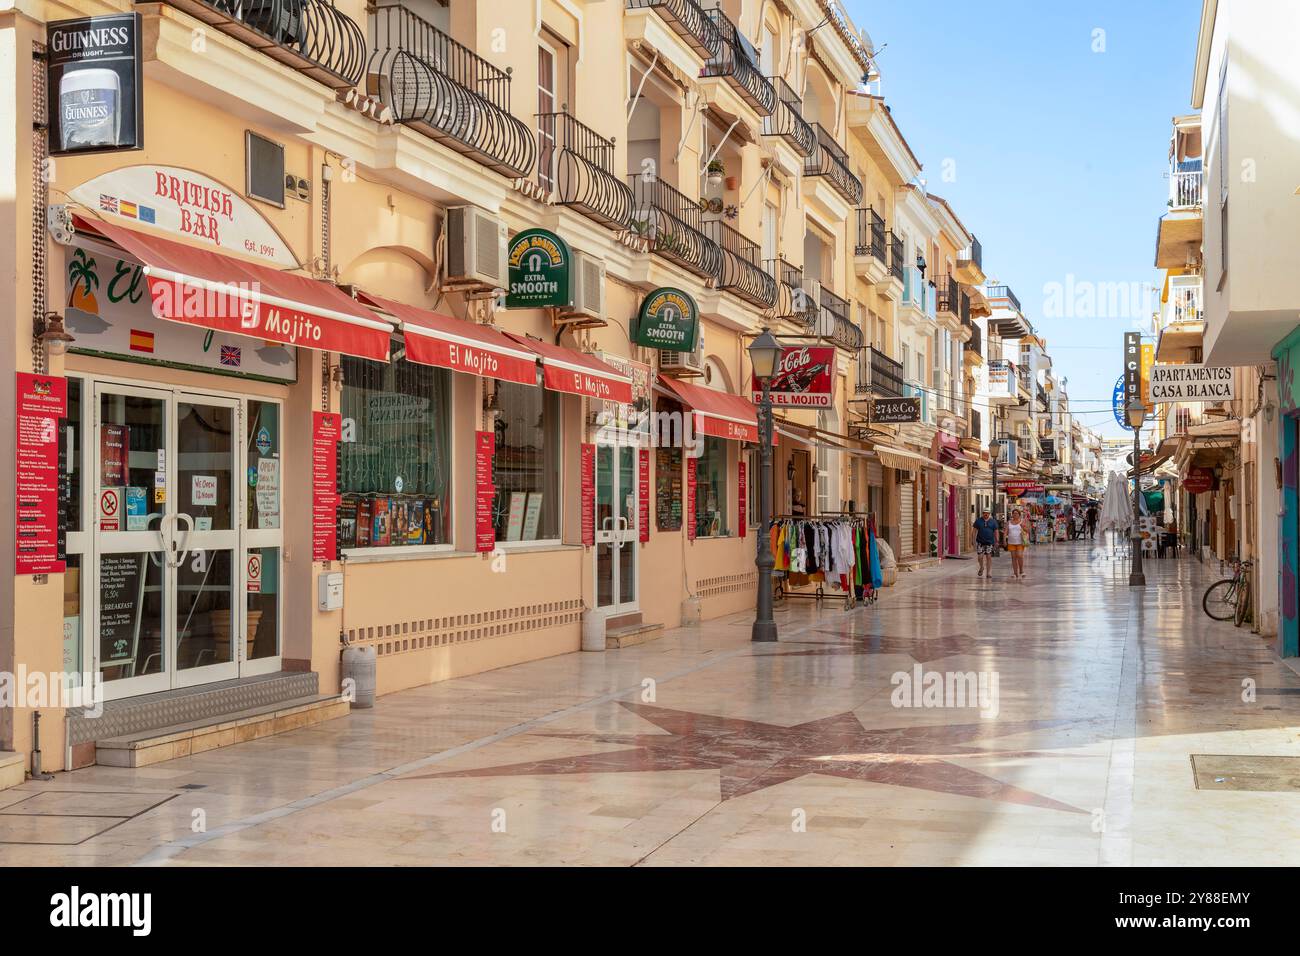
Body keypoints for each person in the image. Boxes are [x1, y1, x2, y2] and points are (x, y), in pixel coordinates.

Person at [973, 507, 999, 578]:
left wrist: (997, 541)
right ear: (982, 514)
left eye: (987, 513)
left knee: (989, 557)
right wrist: (973, 541)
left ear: (989, 514)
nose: (986, 514)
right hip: (980, 542)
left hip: (990, 542)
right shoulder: (978, 521)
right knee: (980, 557)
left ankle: (988, 572)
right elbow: (974, 531)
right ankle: (981, 567)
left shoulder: (993, 521)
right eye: (984, 513)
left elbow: (996, 531)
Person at [1006, 506, 1030, 579]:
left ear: (1019, 515)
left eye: (1016, 513)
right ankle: (1015, 573)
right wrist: (1004, 540)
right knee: (1013, 557)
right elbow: (1006, 531)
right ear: (1012, 515)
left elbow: (1027, 530)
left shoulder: (1022, 521)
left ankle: (1021, 571)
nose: (1015, 515)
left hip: (1020, 542)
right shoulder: (1009, 522)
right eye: (1014, 513)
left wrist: (1023, 527)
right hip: (1011, 542)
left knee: (1019, 555)